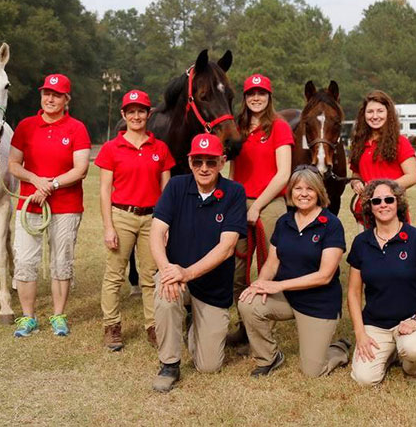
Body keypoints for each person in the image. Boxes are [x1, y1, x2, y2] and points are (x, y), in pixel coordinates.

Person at [149, 133, 247, 392]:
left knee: (208, 365)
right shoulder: (176, 186)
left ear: (222, 162)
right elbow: (157, 231)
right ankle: (169, 364)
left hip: (212, 286)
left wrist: (186, 273)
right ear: (190, 161)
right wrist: (166, 269)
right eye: (198, 161)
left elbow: (227, 248)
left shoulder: (235, 192)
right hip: (177, 276)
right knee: (165, 292)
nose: (204, 168)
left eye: (211, 162)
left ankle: (195, 324)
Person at [238, 165, 349, 377]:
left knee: (313, 371)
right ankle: (269, 357)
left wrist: (278, 285)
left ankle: (340, 348)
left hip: (318, 303)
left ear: (319, 192)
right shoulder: (284, 222)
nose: (304, 194)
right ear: (290, 192)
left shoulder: (332, 225)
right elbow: (272, 263)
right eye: (298, 188)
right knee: (248, 302)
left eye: (310, 188)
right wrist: (260, 285)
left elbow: (325, 275)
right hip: (288, 298)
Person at [8, 73, 91, 338]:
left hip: (66, 206)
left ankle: (58, 315)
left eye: (56, 94)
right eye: (46, 93)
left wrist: (51, 185)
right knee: (25, 259)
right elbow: (13, 164)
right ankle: (27, 317)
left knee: (61, 261)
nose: (50, 99)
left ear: (66, 99)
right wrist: (35, 180)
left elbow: (80, 169)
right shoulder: (26, 126)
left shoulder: (77, 128)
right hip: (29, 205)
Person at [347, 179, 416, 385]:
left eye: (388, 199)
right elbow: (353, 292)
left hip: (412, 320)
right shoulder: (361, 242)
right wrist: (360, 333)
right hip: (375, 323)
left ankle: (411, 368)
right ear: (370, 206)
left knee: (415, 349)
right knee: (364, 379)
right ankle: (391, 350)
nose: (383, 204)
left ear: (398, 203)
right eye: (377, 201)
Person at [95, 89, 175, 351]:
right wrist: (108, 227)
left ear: (148, 114)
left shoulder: (160, 147)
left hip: (152, 217)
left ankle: (153, 325)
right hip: (122, 215)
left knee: (151, 275)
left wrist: (165, 226)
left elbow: (166, 192)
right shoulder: (111, 148)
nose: (137, 116)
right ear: (123, 114)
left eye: (141, 111)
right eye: (131, 111)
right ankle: (112, 325)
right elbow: (105, 190)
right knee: (115, 274)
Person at [228, 73, 293, 348]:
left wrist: (257, 205)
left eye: (261, 93)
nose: (256, 98)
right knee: (237, 269)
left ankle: (267, 329)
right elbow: (233, 170)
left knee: (272, 265)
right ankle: (245, 324)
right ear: (245, 97)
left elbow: (284, 174)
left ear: (269, 96)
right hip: (239, 202)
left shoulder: (279, 127)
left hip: (269, 203)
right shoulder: (237, 127)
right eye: (251, 93)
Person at [349, 91, 416, 229]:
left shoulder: (400, 142)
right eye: (370, 112)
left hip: (392, 210)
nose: (375, 116)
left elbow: (413, 176)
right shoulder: (358, 143)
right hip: (365, 212)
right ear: (364, 115)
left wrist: (381, 189)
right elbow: (356, 174)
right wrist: (356, 182)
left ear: (388, 113)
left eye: (380, 111)